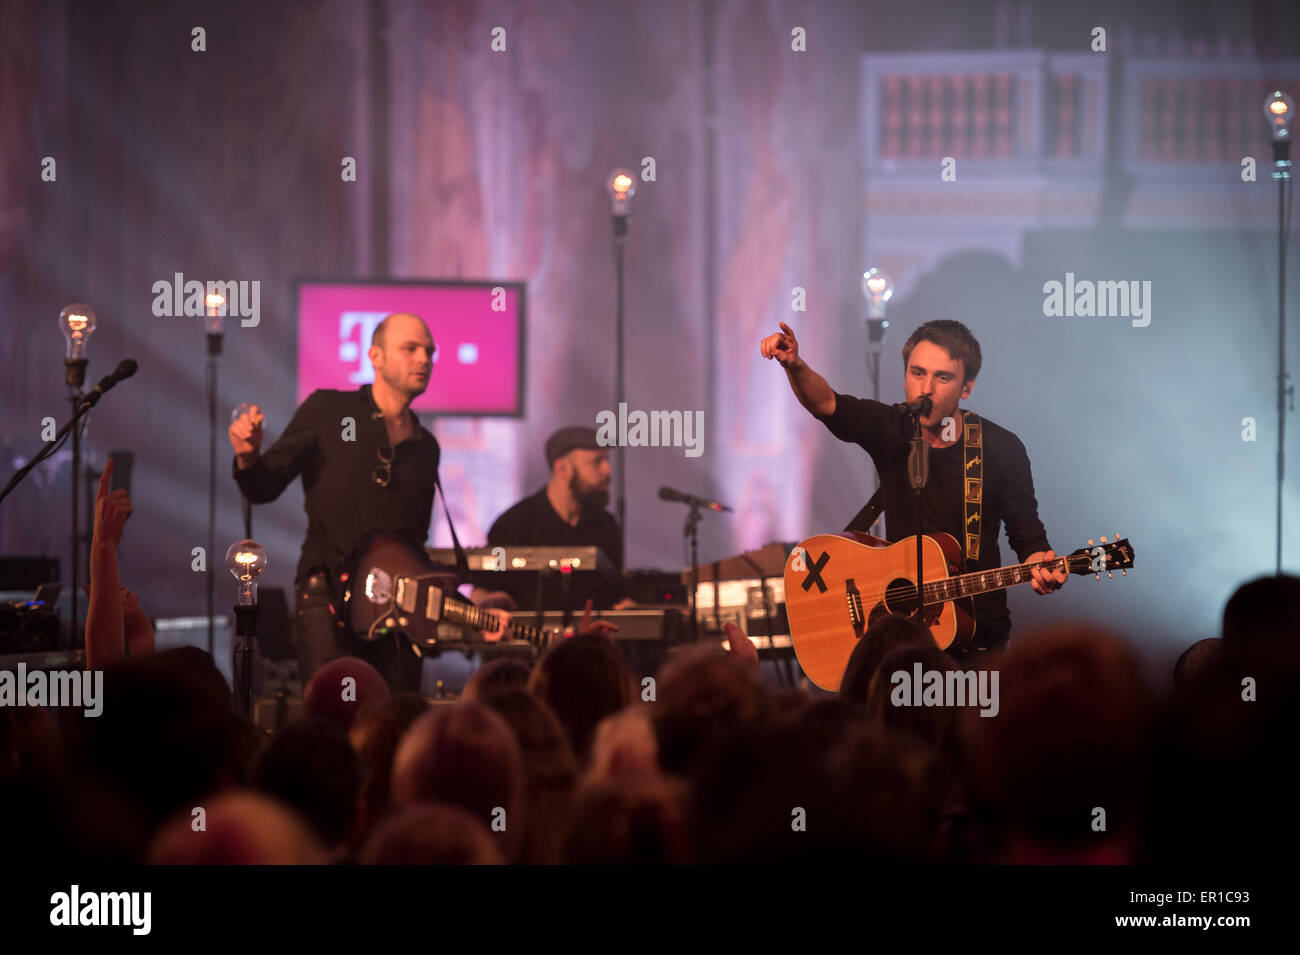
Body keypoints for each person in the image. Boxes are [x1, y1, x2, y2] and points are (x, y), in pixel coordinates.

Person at [229, 312, 510, 692]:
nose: (424, 359)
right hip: (327, 600)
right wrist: (248, 457)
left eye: (430, 351)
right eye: (410, 349)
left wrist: (471, 598)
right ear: (375, 357)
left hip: (398, 612)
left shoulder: (426, 447)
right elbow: (263, 488)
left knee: (393, 726)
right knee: (335, 720)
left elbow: (412, 546)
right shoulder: (328, 411)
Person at [760, 319, 1065, 658]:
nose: (926, 388)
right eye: (917, 373)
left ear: (967, 388)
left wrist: (1040, 567)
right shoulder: (891, 427)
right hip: (899, 642)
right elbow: (827, 404)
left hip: (976, 639)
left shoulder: (1000, 448)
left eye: (942, 377)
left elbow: (1028, 537)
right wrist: (795, 366)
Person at [486, 427, 635, 613]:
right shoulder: (512, 525)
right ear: (562, 469)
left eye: (607, 460)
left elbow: (616, 594)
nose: (608, 470)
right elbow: (484, 592)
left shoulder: (606, 526)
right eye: (597, 462)